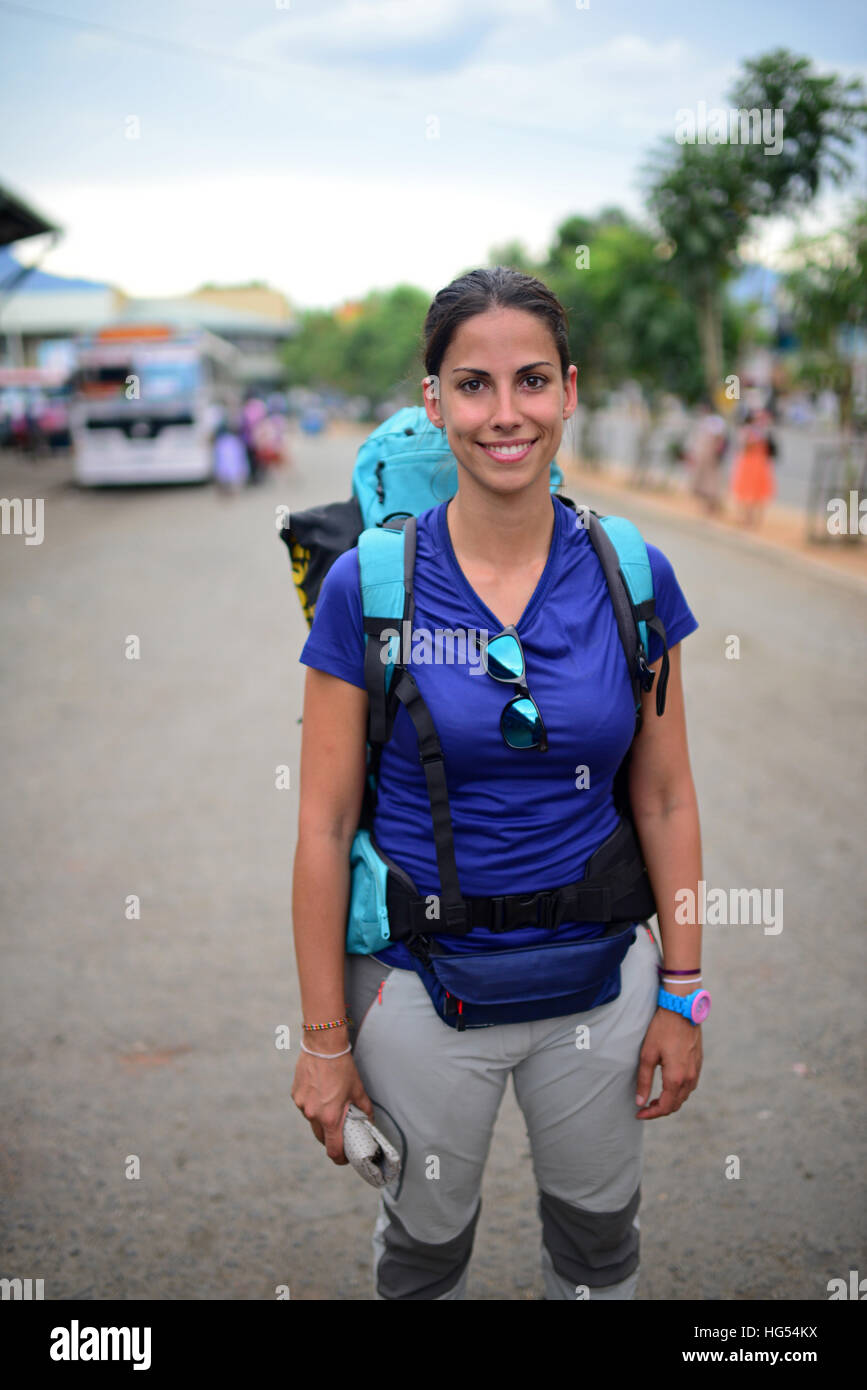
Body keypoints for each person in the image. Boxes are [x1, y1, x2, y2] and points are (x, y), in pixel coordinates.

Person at [291, 267, 704, 1301]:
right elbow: (323, 822)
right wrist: (323, 1044)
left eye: (531, 381)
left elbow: (665, 797)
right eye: (473, 385)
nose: (506, 413)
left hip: (601, 990)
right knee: (426, 1255)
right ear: (435, 402)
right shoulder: (369, 587)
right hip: (419, 992)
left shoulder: (632, 573)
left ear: (568, 389)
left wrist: (685, 995)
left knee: (602, 1246)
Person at [729, 408, 776, 527]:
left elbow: (770, 449)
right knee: (745, 491)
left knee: (757, 493)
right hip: (748, 464)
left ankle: (755, 519)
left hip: (759, 464)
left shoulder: (765, 432)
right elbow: (744, 446)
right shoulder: (748, 431)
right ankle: (744, 516)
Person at [687, 400, 727, 514]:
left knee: (711, 482)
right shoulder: (704, 421)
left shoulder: (716, 421)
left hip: (711, 456)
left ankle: (712, 505)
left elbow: (719, 439)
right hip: (702, 455)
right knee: (702, 481)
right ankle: (704, 505)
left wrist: (716, 452)